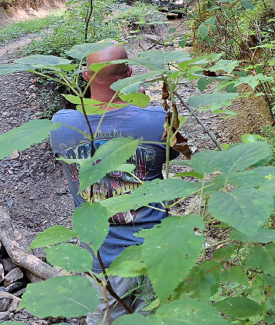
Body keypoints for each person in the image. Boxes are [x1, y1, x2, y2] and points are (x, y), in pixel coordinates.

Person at [49, 44, 180, 324]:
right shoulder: (158, 121)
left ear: (85, 76)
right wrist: (138, 99)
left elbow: (87, 117)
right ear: (130, 74)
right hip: (152, 255)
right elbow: (175, 151)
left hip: (99, 262)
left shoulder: (60, 124)